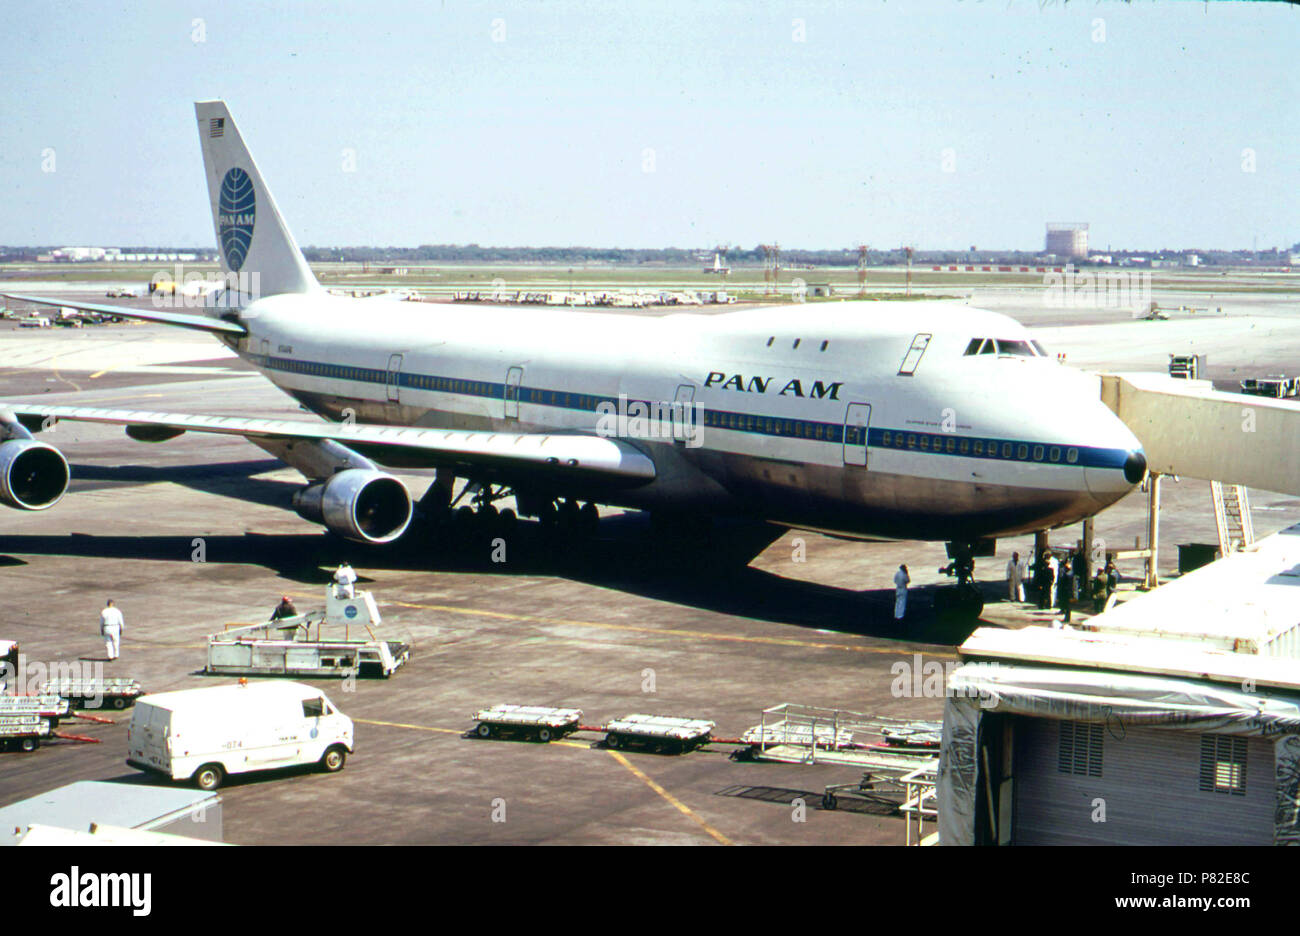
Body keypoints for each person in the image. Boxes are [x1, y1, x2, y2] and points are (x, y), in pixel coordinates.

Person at [1056, 556, 1074, 625]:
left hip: (1066, 593)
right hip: (1066, 593)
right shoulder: (1069, 575)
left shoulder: (1067, 576)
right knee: (1066, 606)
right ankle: (1066, 617)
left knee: (1067, 606)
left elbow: (1067, 586)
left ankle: (1067, 618)